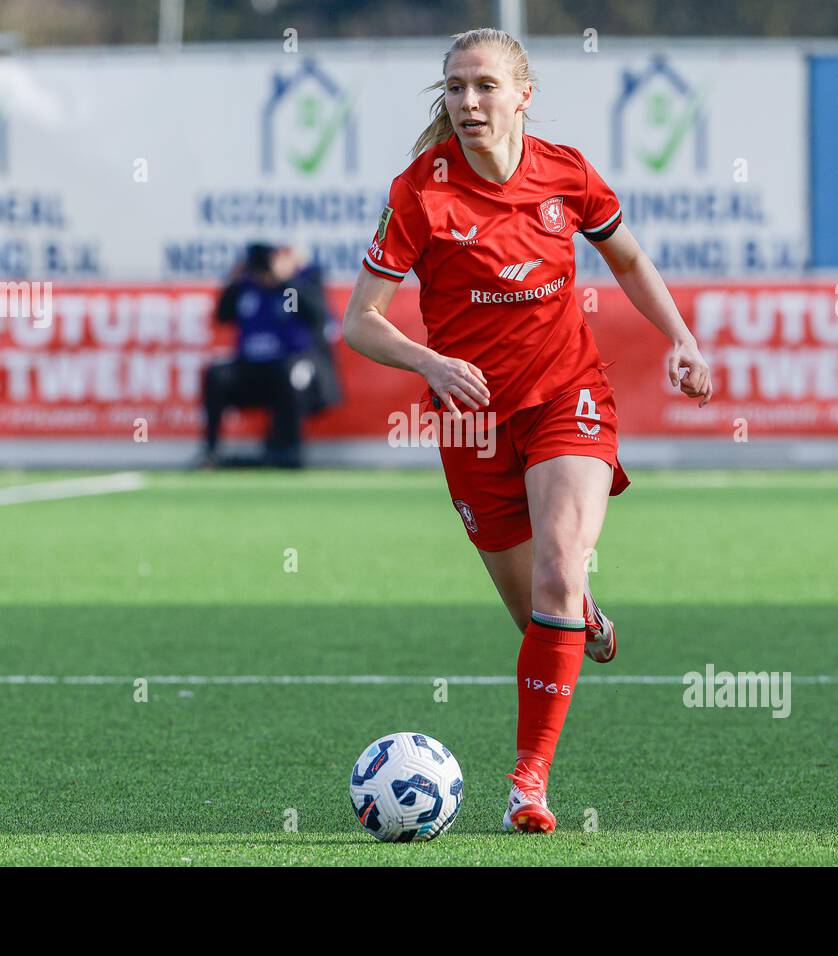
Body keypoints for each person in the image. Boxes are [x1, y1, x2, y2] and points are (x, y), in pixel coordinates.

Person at [342, 28, 712, 833]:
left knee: (554, 577)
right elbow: (359, 322)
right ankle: (584, 613)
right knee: (539, 617)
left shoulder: (567, 173)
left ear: (522, 95)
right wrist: (429, 362)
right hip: (473, 427)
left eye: (483, 86)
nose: (467, 103)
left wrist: (680, 338)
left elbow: (630, 262)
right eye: (454, 88)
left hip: (566, 399)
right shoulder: (420, 192)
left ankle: (528, 785)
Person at [201, 242, 336, 468]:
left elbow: (312, 316)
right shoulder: (246, 288)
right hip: (252, 368)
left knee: (290, 374)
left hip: (290, 365)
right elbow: (223, 315)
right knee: (216, 375)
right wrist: (234, 278)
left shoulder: (293, 287)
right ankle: (211, 452)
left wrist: (285, 280)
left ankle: (289, 450)